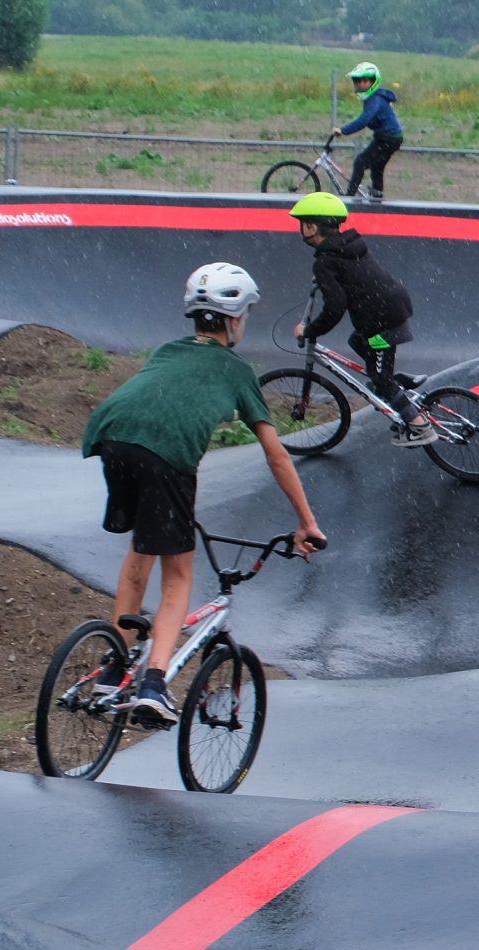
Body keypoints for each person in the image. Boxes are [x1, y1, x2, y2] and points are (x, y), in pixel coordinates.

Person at [82, 263, 326, 725]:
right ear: (233, 320)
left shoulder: (168, 350)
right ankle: (154, 684)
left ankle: (114, 669)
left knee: (140, 553)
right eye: (246, 316)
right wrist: (307, 522)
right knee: (178, 576)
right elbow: (277, 455)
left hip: (112, 439)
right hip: (166, 455)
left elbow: (158, 396)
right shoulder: (237, 371)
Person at [288, 191, 438, 447]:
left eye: (302, 223)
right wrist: (327, 279)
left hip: (382, 326)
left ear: (312, 226)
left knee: (380, 379)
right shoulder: (347, 246)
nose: (300, 229)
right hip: (394, 308)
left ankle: (419, 426)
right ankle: (396, 383)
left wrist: (310, 331)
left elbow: (335, 308)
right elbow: (353, 273)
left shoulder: (326, 261)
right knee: (357, 341)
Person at [332, 61, 403, 202]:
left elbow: (364, 120)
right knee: (377, 166)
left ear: (373, 82)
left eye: (364, 81)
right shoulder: (373, 98)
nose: (359, 84)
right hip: (387, 137)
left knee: (360, 162)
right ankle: (377, 196)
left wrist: (343, 130)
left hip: (389, 138)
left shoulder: (375, 99)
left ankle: (349, 198)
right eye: (357, 81)